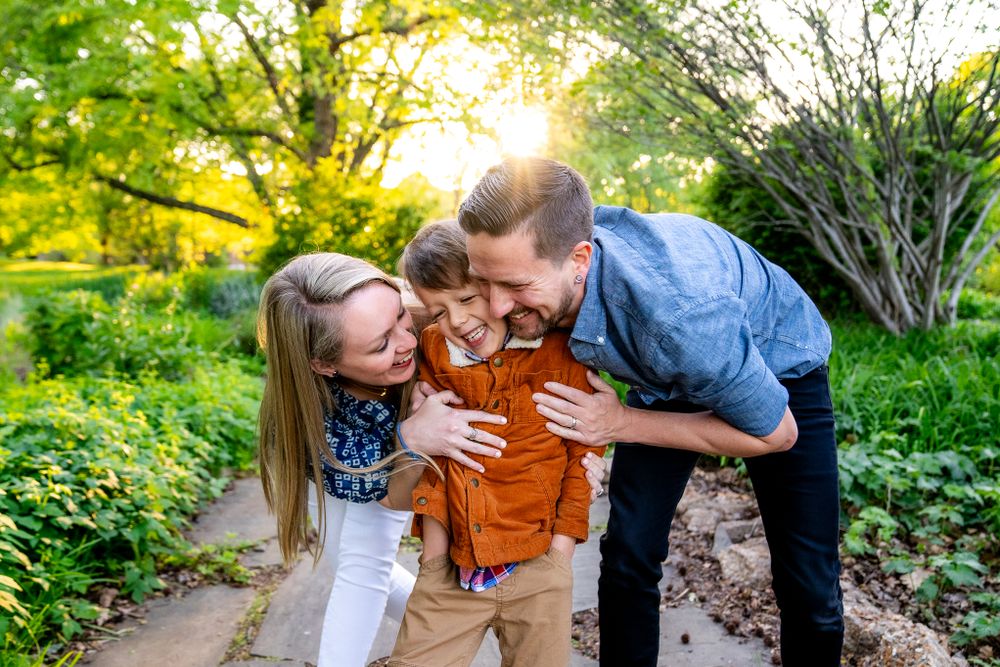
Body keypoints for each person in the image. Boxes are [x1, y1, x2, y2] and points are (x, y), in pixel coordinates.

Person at [456, 157, 843, 667]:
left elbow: (777, 434)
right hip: (667, 373)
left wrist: (620, 423)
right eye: (484, 282)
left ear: (580, 258)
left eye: (516, 287)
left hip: (777, 372)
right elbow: (433, 304)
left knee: (808, 584)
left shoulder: (677, 319)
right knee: (627, 556)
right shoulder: (546, 254)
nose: (497, 306)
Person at [255, 251, 607, 667]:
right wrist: (411, 438)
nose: (408, 342)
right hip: (357, 467)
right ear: (324, 364)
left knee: (366, 567)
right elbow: (388, 496)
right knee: (359, 566)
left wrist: (585, 446)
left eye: (402, 319)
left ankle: (451, 624)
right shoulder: (311, 427)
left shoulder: (444, 317)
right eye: (382, 344)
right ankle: (450, 625)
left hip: (416, 456)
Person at [388, 220, 606, 666]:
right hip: (450, 569)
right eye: (439, 309)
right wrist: (432, 559)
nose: (459, 320)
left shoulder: (560, 351)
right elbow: (421, 430)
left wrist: (561, 553)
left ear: (494, 285)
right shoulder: (432, 348)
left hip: (539, 564)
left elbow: (584, 454)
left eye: (468, 299)